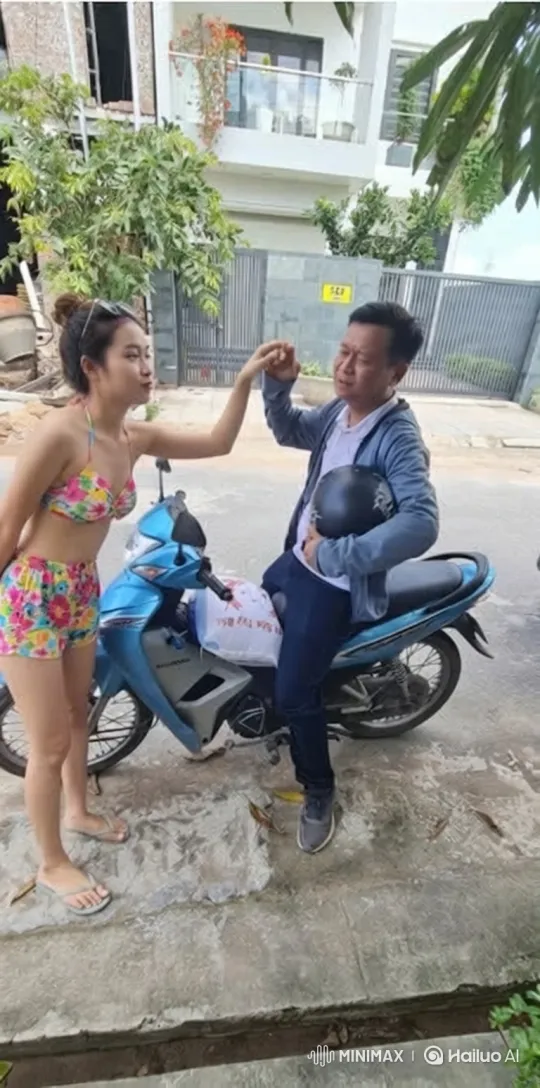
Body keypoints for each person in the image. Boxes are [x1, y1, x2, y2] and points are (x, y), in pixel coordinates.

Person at [0, 293, 287, 916]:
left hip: (80, 589)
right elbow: (6, 532)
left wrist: (243, 380)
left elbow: (217, 441)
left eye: (148, 353)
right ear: (93, 366)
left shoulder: (130, 436)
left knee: (80, 717)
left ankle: (77, 811)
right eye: (132, 355)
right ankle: (50, 861)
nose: (146, 365)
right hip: (31, 597)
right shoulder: (58, 435)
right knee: (47, 743)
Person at [261, 301, 439, 854]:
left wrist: (336, 556)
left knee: (295, 690)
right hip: (297, 560)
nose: (344, 367)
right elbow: (290, 429)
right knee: (256, 624)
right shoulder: (340, 413)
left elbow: (422, 522)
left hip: (334, 584)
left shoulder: (397, 437)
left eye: (362, 359)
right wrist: (278, 386)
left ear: (395, 372)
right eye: (342, 351)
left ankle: (318, 788)